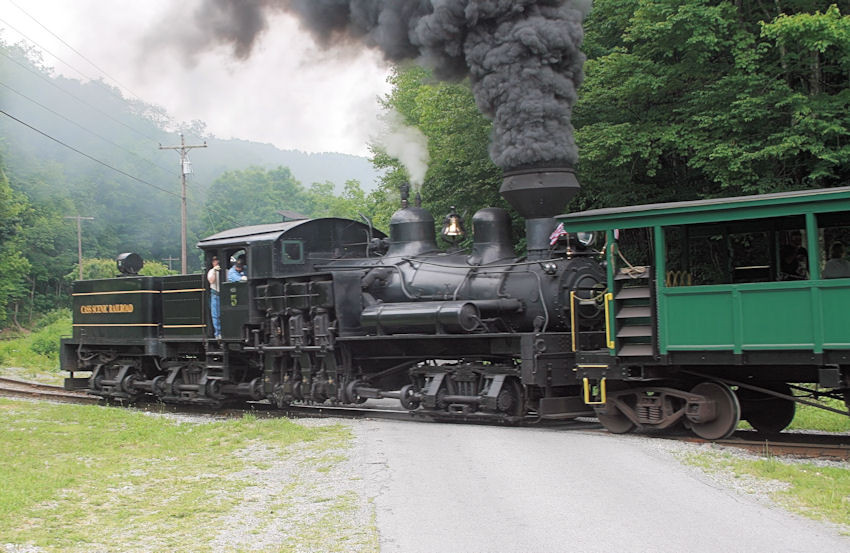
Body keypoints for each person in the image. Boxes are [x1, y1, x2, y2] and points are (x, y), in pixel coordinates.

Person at [207, 256, 221, 339]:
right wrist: (215, 271)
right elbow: (211, 281)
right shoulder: (211, 271)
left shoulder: (225, 271)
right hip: (215, 294)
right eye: (214, 261)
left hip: (223, 294)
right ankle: (217, 333)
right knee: (215, 315)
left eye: (217, 260)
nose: (216, 262)